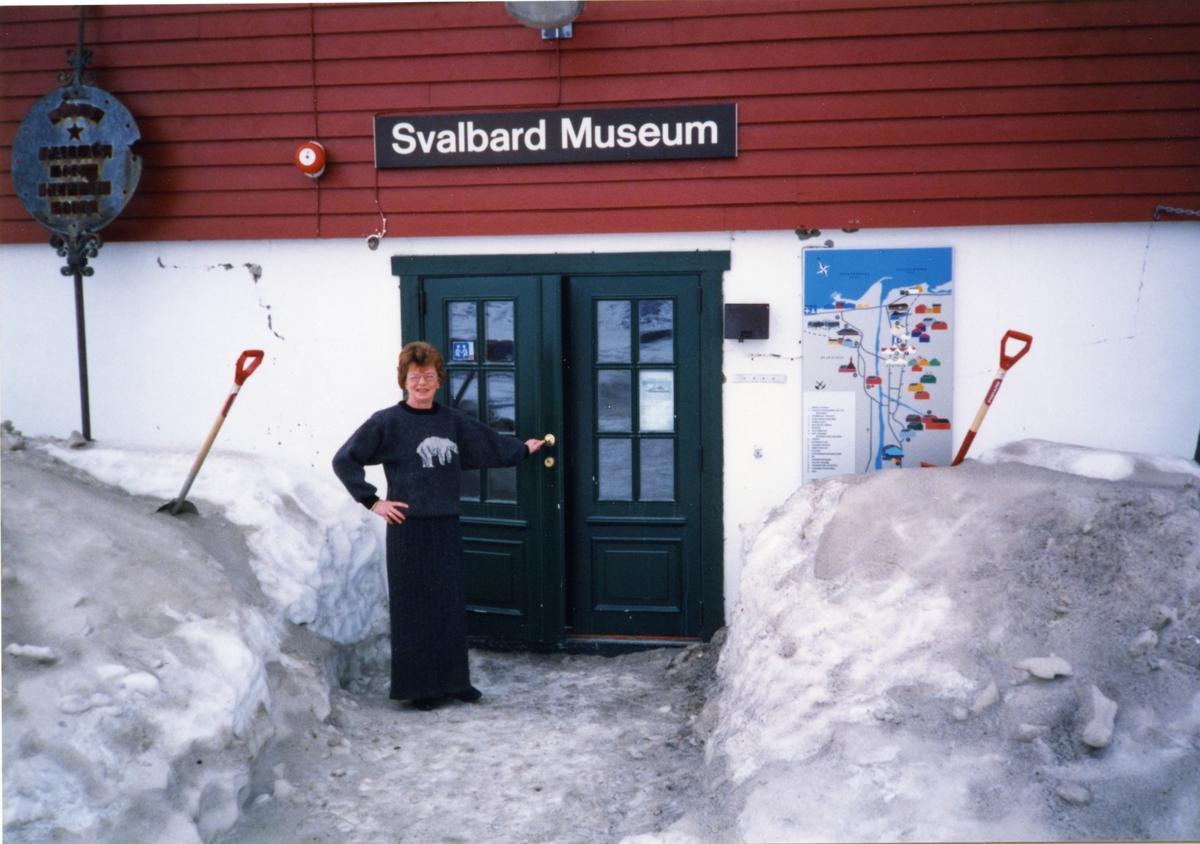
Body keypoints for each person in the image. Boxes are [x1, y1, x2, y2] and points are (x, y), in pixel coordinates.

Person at [332, 341, 544, 711]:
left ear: (438, 380)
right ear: (404, 380)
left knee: (447, 604)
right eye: (415, 377)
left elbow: (487, 444)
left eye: (429, 376)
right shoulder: (386, 422)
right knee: (414, 608)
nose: (422, 383)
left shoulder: (451, 420)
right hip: (408, 527)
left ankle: (454, 682)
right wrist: (373, 501)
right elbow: (345, 460)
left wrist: (522, 450)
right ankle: (420, 689)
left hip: (445, 524)